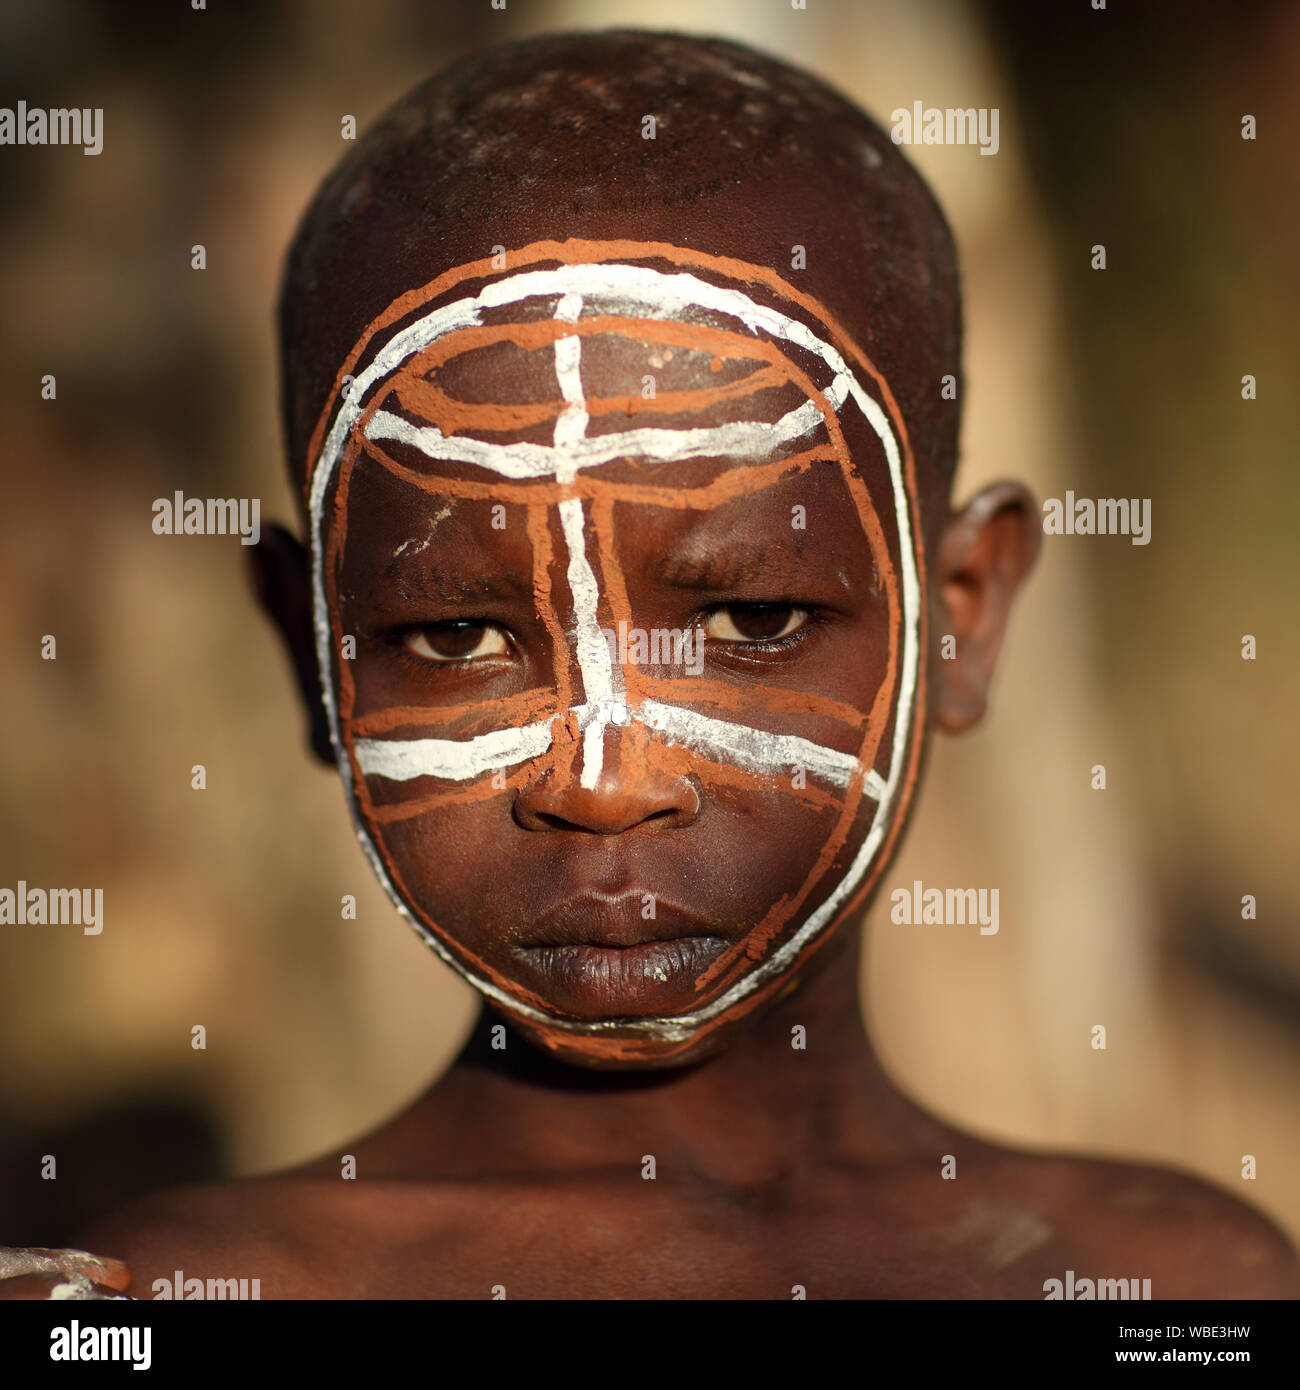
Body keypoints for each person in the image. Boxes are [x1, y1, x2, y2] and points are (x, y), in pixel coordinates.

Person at [8, 29, 1297, 1299]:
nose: (606, 781)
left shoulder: (1176, 1284)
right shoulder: (145, 1304)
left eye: (749, 624)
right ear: (311, 657)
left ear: (960, 613)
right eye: (456, 636)